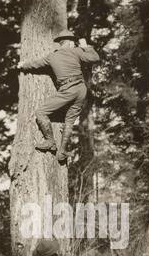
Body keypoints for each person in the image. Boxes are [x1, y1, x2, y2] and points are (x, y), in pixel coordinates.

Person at [17, 29, 99, 165]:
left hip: (68, 89)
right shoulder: (78, 51)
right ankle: (62, 151)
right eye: (73, 42)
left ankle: (50, 142)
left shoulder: (52, 57)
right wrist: (85, 46)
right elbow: (94, 57)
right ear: (67, 43)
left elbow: (35, 64)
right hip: (81, 89)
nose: (74, 44)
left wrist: (23, 65)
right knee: (70, 120)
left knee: (41, 112)